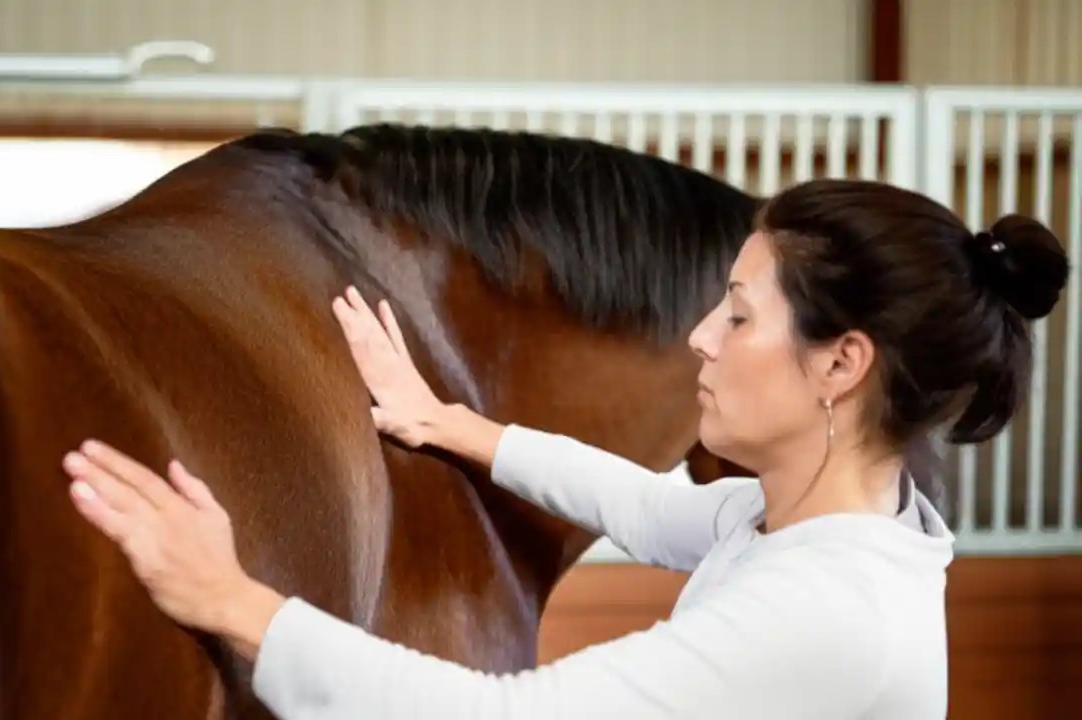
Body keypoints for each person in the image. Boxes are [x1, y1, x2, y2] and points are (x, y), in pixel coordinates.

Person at [61, 178, 1071, 719]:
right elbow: (637, 503)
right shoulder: (811, 522)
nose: (700, 339)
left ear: (840, 363)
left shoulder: (828, 612)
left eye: (736, 315)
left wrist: (230, 600)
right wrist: (449, 422)